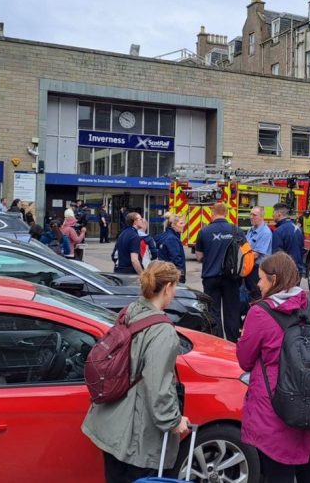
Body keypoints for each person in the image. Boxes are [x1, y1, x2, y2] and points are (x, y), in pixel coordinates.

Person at [82, 261, 191, 483]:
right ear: (168, 287)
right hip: (136, 437)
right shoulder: (163, 331)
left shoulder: (131, 311)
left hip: (110, 423)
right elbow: (157, 385)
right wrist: (173, 421)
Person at [236, 252, 310, 483]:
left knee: (277, 473)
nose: (257, 283)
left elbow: (245, 361)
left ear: (274, 280)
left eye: (261, 278)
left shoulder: (260, 313)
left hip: (275, 407)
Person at [195, 202, 241, 342]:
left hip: (210, 277)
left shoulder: (204, 231)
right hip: (231, 277)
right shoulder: (236, 230)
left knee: (213, 312)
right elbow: (244, 254)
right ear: (226, 213)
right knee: (232, 311)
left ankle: (217, 342)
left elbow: (199, 256)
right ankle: (233, 343)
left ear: (212, 213)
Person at [270, 203, 305, 276]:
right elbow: (301, 250)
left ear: (279, 214)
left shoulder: (279, 231)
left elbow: (277, 256)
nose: (272, 215)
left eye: (273, 212)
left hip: (285, 273)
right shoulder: (298, 229)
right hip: (298, 270)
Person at [157, 213, 187, 283]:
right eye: (181, 223)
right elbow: (176, 258)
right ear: (173, 225)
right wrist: (181, 276)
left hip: (165, 273)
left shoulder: (165, 235)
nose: (184, 225)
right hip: (172, 276)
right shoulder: (172, 239)